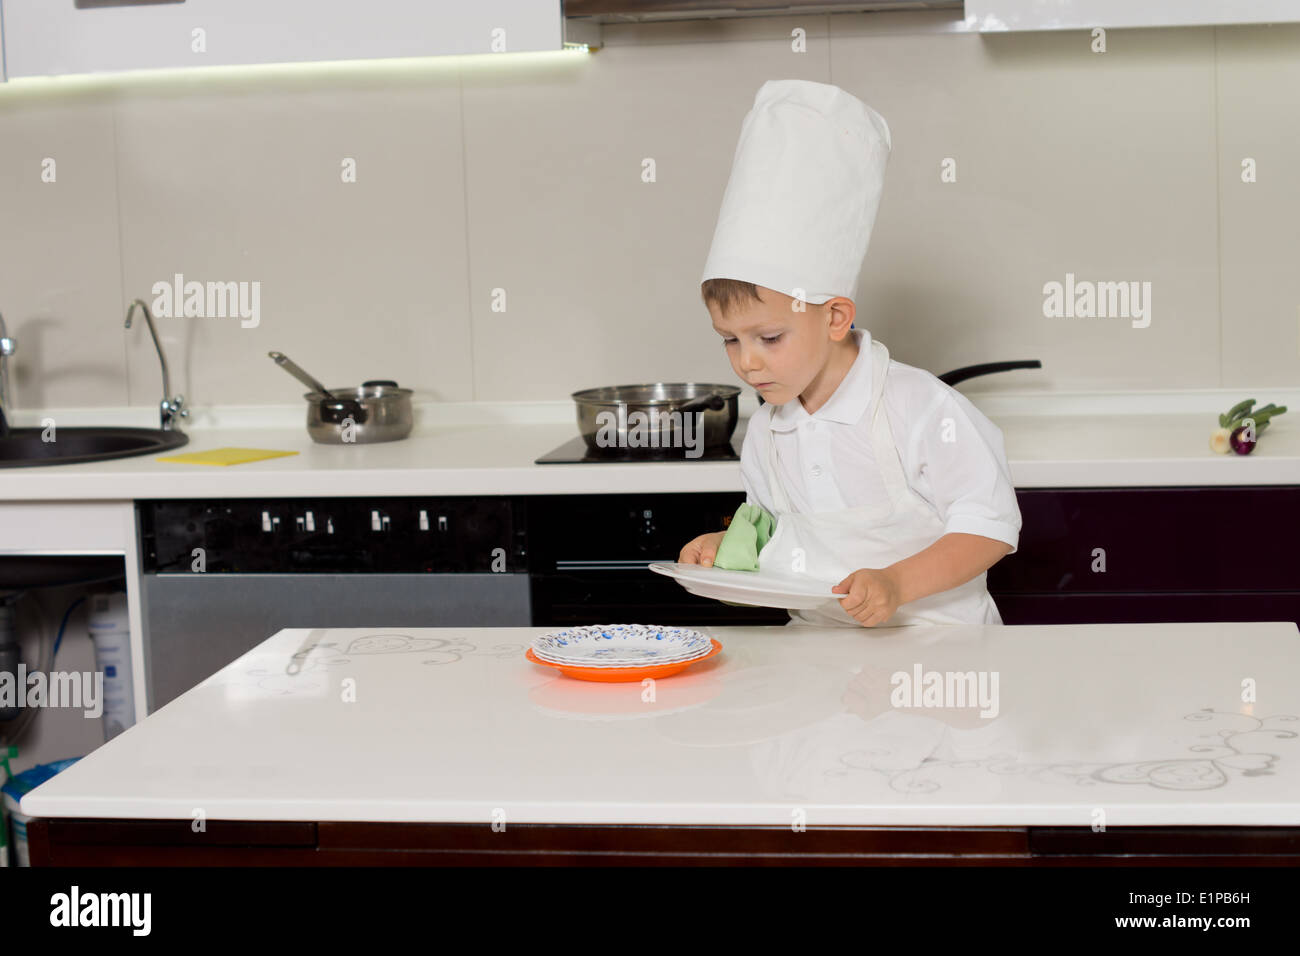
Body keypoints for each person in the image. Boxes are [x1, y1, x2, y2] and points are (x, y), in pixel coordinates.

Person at [678, 79, 1021, 628]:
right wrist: (728, 553)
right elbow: (775, 540)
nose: (747, 362)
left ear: (835, 317)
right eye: (729, 339)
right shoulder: (768, 430)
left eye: (768, 338)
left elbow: (990, 529)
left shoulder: (920, 407)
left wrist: (895, 584)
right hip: (818, 676)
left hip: (945, 676)